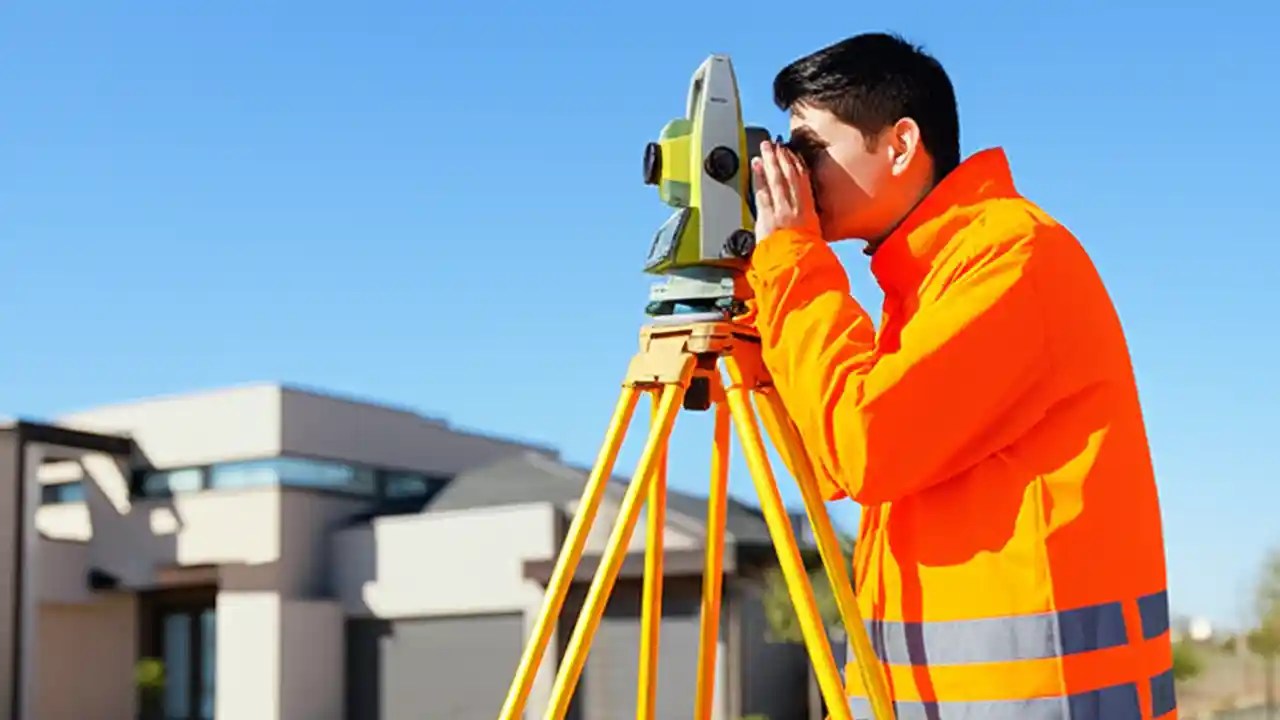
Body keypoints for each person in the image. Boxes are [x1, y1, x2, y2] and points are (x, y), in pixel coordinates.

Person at [741, 32, 1177, 719]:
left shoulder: (1011, 257)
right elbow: (831, 461)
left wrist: (792, 265)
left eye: (810, 149)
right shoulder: (920, 286)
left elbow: (865, 443)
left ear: (901, 143)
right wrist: (769, 302)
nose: (793, 172)